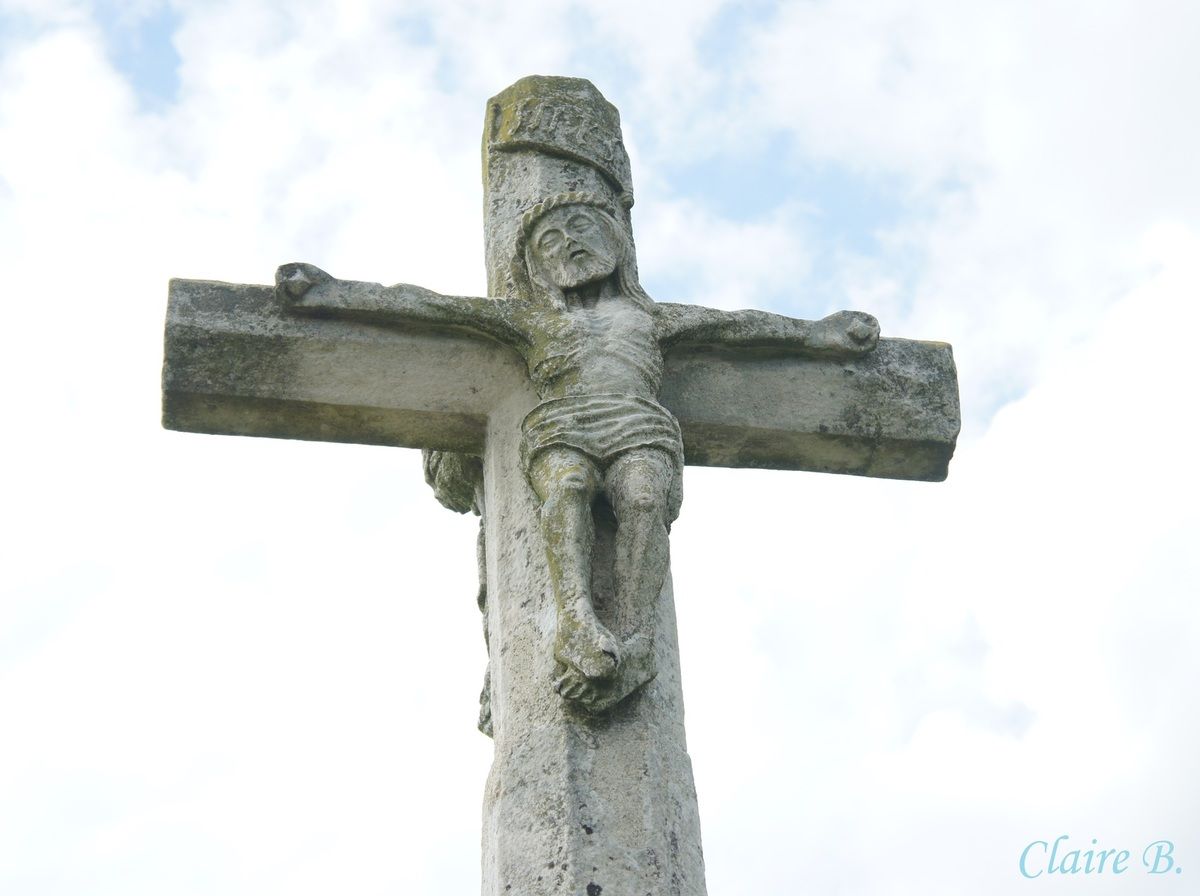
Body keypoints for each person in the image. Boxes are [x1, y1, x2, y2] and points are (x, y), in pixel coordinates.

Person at [276, 191, 879, 712]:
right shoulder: (533, 321)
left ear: (615, 241)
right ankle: (576, 618)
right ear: (537, 267)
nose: (570, 246)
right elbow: (429, 305)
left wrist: (819, 334)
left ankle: (637, 636)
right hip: (564, 420)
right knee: (566, 488)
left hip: (636, 420)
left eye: (582, 231)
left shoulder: (651, 317)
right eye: (552, 242)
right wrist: (333, 293)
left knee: (642, 496)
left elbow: (741, 327)